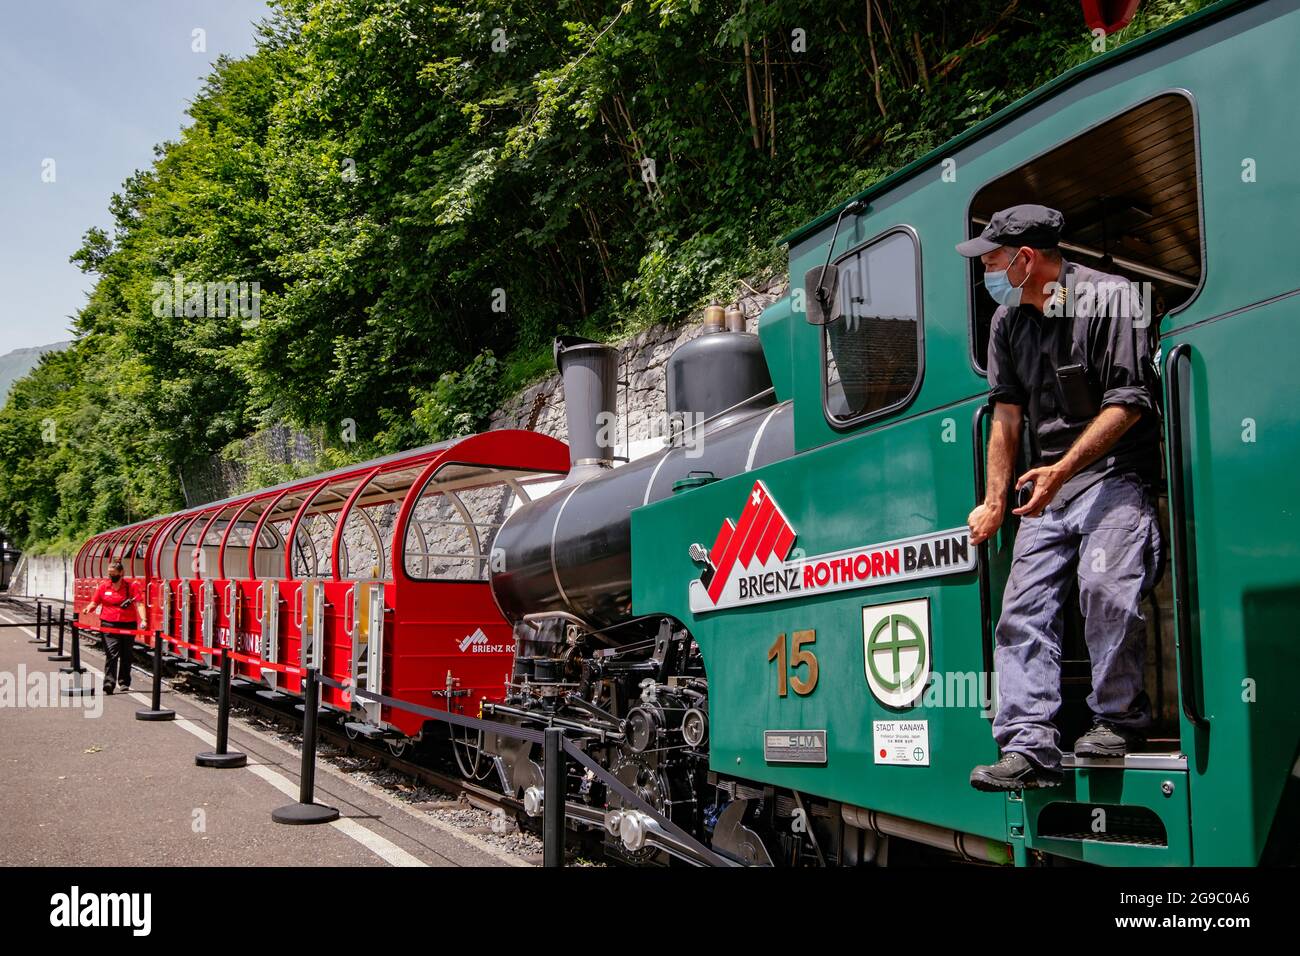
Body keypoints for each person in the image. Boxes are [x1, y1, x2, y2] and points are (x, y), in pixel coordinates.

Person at [956, 204, 1163, 791]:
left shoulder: (1112, 298)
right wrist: (995, 499)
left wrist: (1062, 469)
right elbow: (1006, 417)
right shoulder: (1006, 323)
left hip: (1113, 474)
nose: (986, 271)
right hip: (1045, 491)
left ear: (1025, 259)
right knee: (1021, 612)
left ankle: (1118, 720)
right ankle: (1028, 747)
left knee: (1105, 588)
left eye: (992, 260)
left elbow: (1128, 403)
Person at [83, 559, 146, 694]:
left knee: (126, 654)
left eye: (113, 573)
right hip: (108, 623)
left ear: (121, 572)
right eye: (109, 573)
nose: (111, 576)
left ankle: (124, 682)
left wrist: (144, 619)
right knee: (112, 653)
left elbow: (139, 603)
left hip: (128, 623)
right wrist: (88, 608)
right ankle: (109, 683)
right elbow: (95, 602)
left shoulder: (130, 587)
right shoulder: (104, 587)